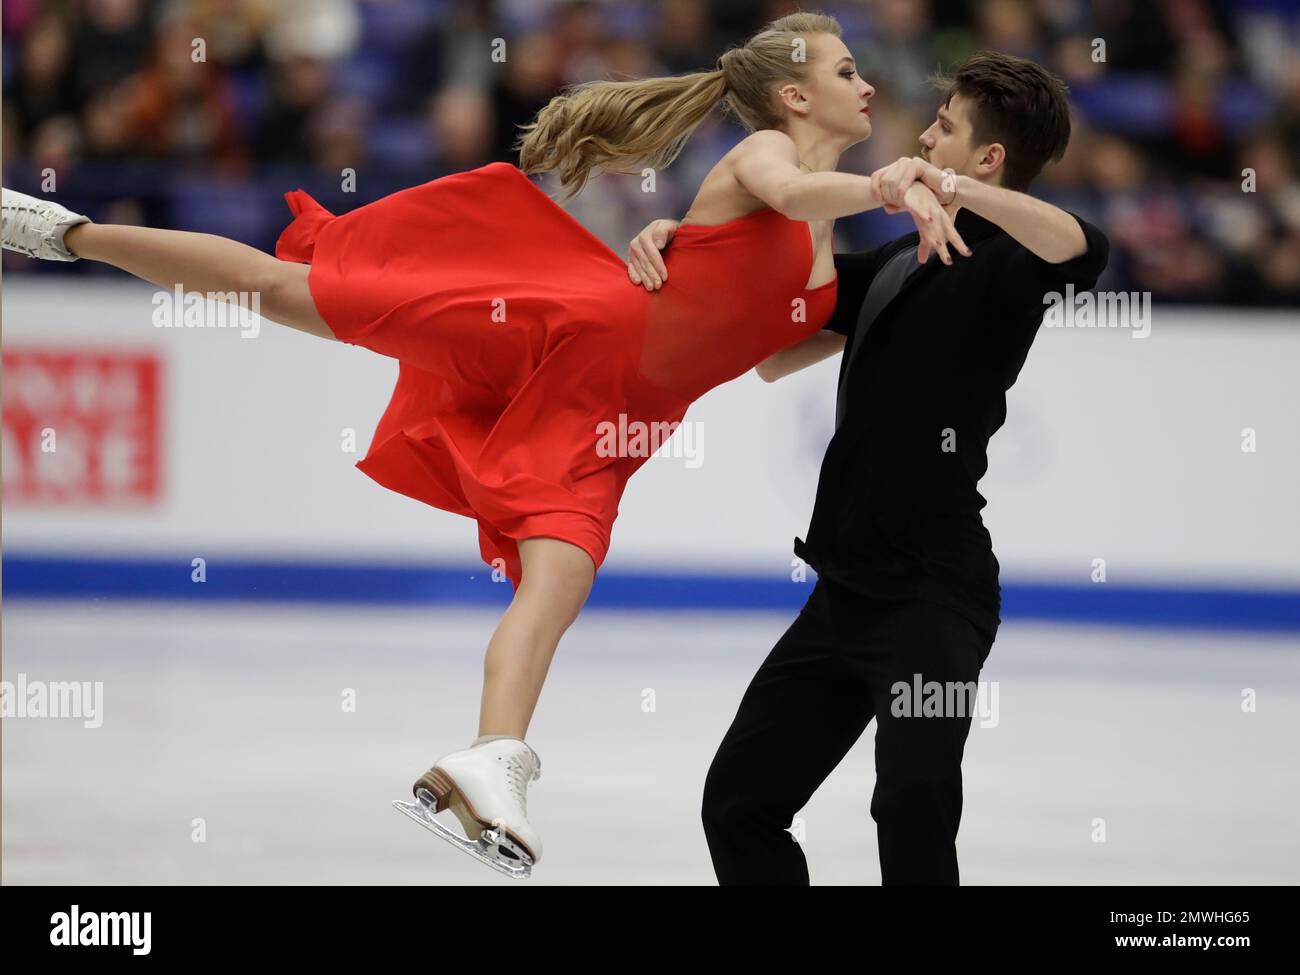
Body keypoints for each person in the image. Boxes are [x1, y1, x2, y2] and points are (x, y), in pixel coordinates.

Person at [0, 11, 967, 878]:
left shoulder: (823, 254)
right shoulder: (766, 159)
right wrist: (886, 182)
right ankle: (71, 232)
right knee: (292, 293)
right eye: (847, 71)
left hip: (610, 423)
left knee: (558, 586)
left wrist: (904, 312)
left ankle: (493, 760)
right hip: (564, 323)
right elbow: (792, 193)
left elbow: (765, 356)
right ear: (796, 94)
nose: (868, 84)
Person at [626, 51, 1110, 884]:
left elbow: (1081, 246)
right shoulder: (892, 263)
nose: (924, 134)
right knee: (739, 802)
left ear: (987, 160)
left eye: (946, 128)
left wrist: (945, 189)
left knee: (914, 800)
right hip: (845, 595)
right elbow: (775, 349)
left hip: (935, 594)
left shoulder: (1014, 263)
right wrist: (685, 238)